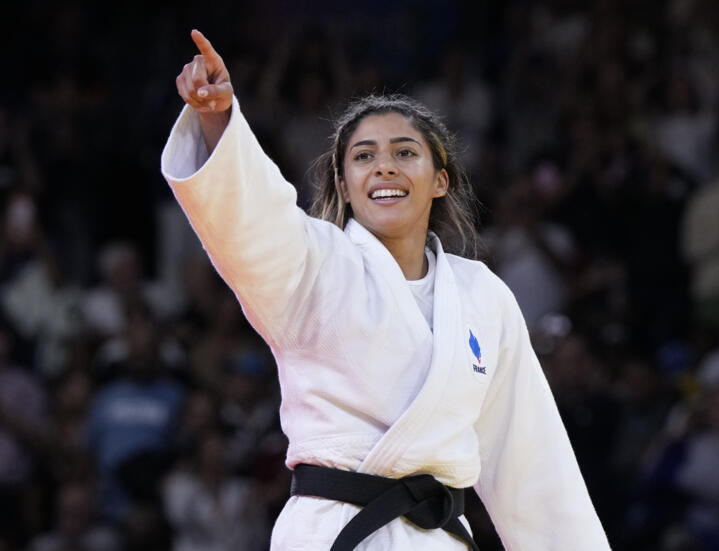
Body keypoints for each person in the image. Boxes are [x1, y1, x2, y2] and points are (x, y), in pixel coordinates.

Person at [163, 30, 609, 551]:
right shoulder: (314, 265)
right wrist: (217, 119)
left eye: (405, 152)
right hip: (334, 532)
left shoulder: (483, 296)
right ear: (344, 184)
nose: (384, 166)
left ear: (440, 180)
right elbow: (252, 217)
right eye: (363, 156)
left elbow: (535, 468)